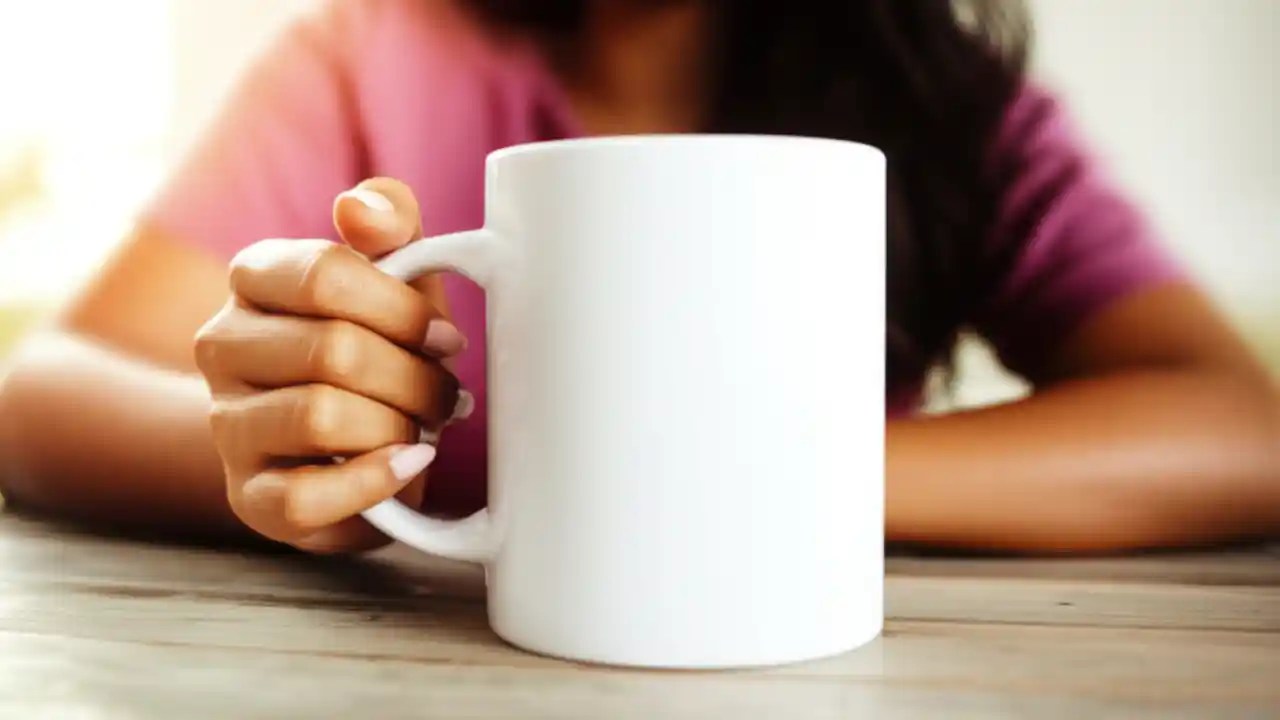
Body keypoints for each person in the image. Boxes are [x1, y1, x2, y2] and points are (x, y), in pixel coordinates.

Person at [0, 0, 1276, 554]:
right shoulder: (364, 53)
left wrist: (749, 474)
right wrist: (285, 468)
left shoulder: (953, 111)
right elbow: (42, 391)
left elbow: (1239, 430)